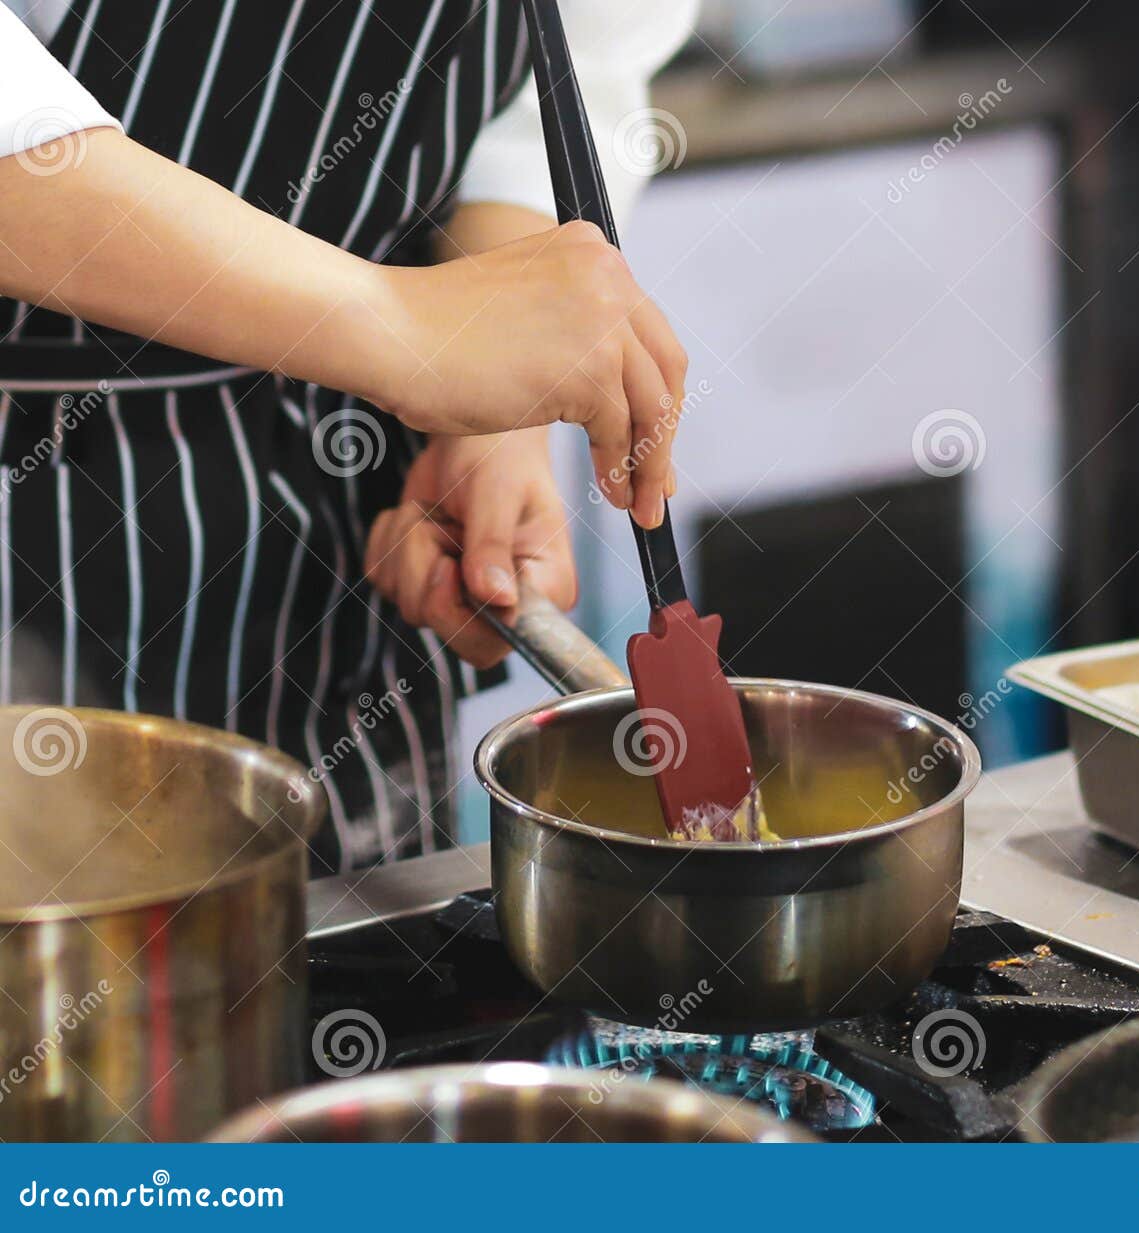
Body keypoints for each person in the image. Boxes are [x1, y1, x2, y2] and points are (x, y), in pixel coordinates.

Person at [0, 0, 697, 872]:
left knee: (345, 973)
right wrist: (402, 328)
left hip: (339, 519)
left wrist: (490, 413)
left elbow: (574, 58)